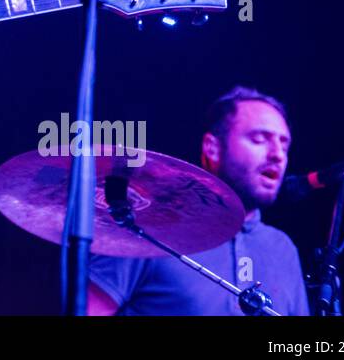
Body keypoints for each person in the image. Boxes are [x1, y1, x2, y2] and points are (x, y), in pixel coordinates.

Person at [87, 86, 311, 315]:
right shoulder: (152, 226)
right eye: (259, 139)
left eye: (284, 144)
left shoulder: (283, 249)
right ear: (212, 148)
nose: (277, 154)